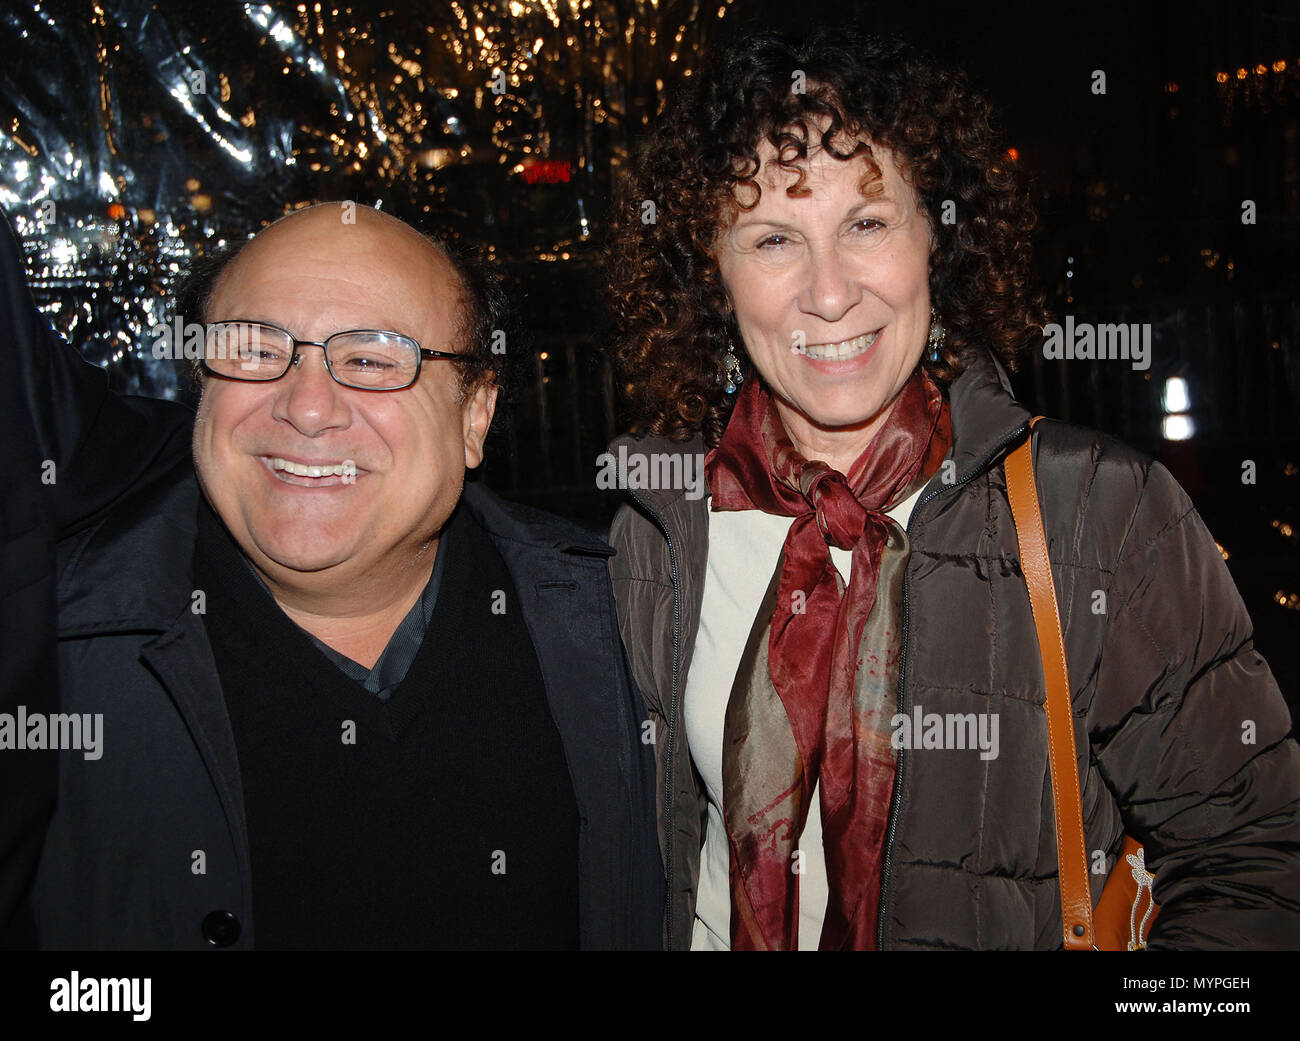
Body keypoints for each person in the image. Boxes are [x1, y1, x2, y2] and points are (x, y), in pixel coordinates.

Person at [603, 27, 1300, 950]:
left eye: (867, 222)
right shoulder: (658, 527)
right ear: (712, 278)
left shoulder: (1098, 512)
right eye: (774, 239)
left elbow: (1257, 862)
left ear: (937, 235)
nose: (829, 292)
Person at [0, 201, 660, 950]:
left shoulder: (623, 632)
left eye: (372, 359)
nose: (307, 407)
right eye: (253, 350)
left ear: (475, 412)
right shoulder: (56, 658)